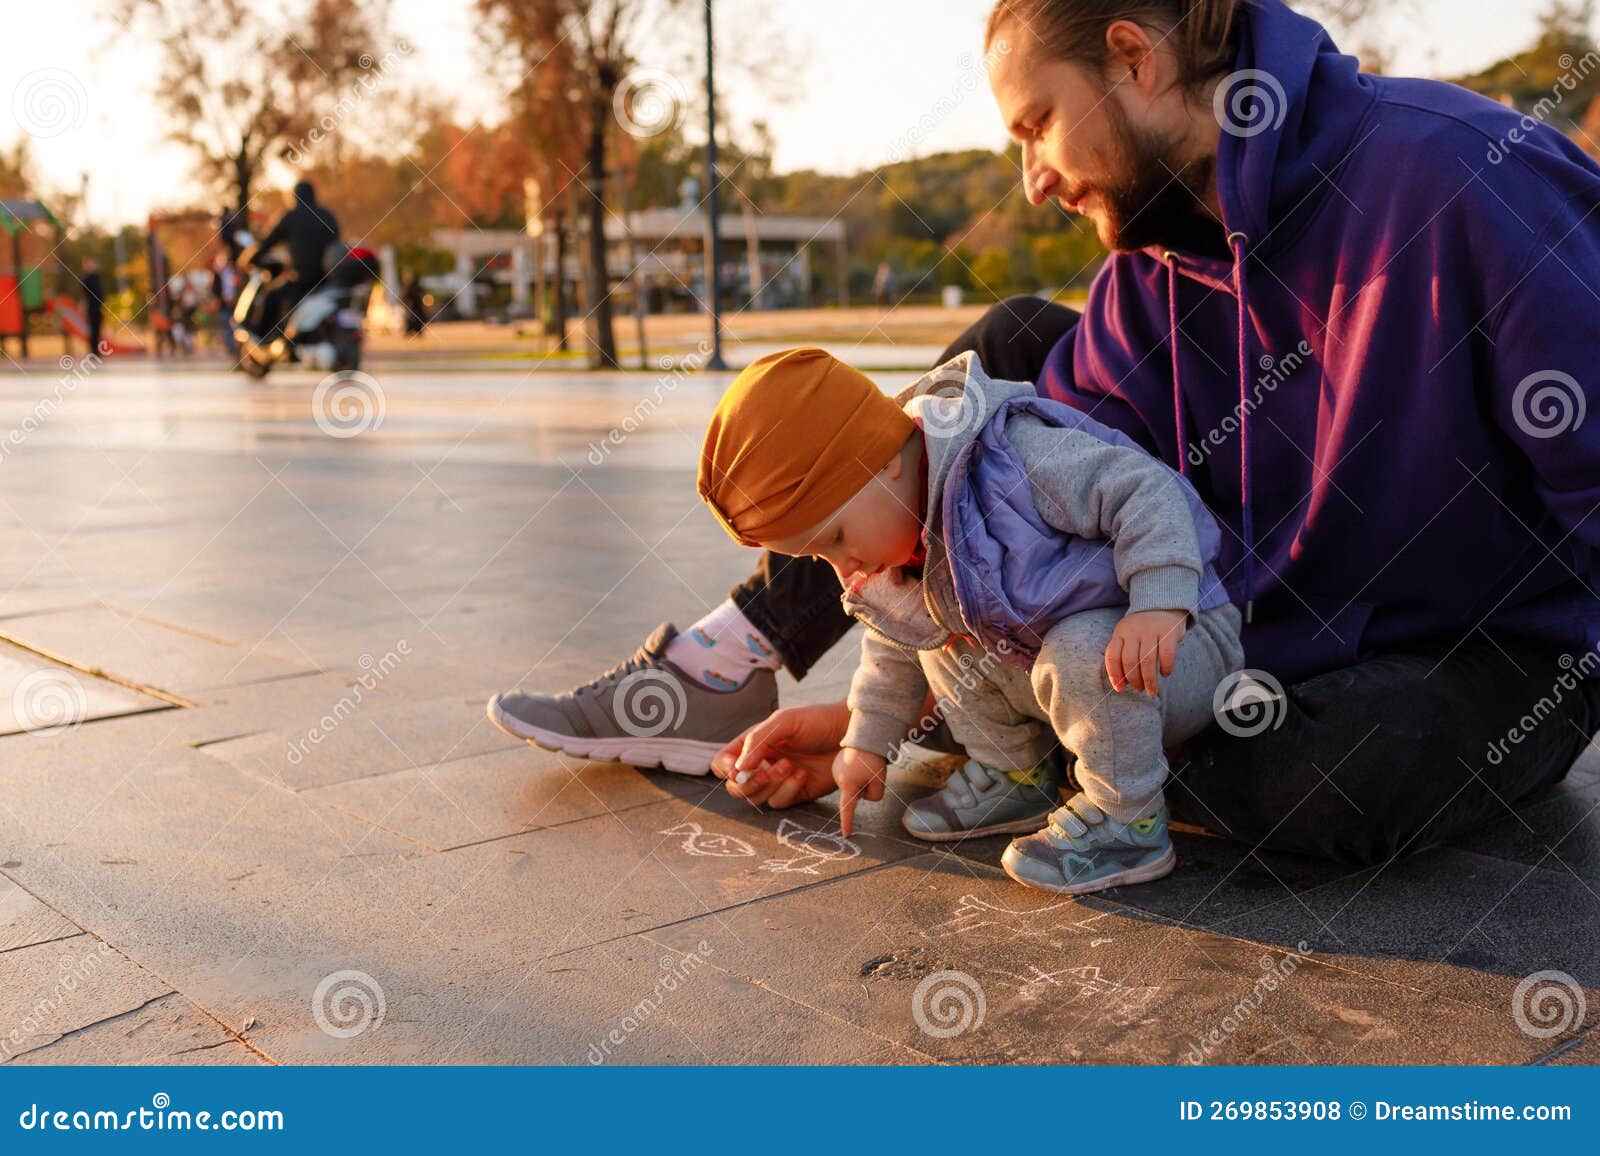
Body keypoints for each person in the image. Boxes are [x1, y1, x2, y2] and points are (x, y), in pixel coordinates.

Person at [490, 0, 1600, 867]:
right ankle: (732, 656)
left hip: (1497, 641)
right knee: (993, 386)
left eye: (1036, 125)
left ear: (1135, 59)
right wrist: (893, 712)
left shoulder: (1457, 173)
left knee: (1326, 780)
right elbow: (1021, 540)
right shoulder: (1146, 271)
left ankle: (1034, 751)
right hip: (1233, 620)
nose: (1032, 181)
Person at [696, 347, 1245, 894]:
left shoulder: (1015, 456)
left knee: (1080, 645)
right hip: (1071, 668)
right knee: (936, 637)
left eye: (836, 537)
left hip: (1175, 649)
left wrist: (1158, 601)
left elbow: (1145, 490)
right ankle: (1016, 774)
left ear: (884, 457)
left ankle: (1131, 820)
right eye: (818, 557)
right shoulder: (896, 552)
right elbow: (890, 652)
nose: (844, 566)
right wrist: (864, 744)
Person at [247, 179, 341, 335]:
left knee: (271, 295)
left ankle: (262, 334)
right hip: (328, 279)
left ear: (295, 197)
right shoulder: (328, 216)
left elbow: (268, 242)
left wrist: (251, 258)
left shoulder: (291, 216)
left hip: (302, 278)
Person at [79, 256, 104, 359]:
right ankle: (93, 351)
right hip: (92, 308)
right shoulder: (87, 279)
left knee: (97, 330)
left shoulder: (96, 277)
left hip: (98, 308)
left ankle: (96, 350)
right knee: (93, 330)